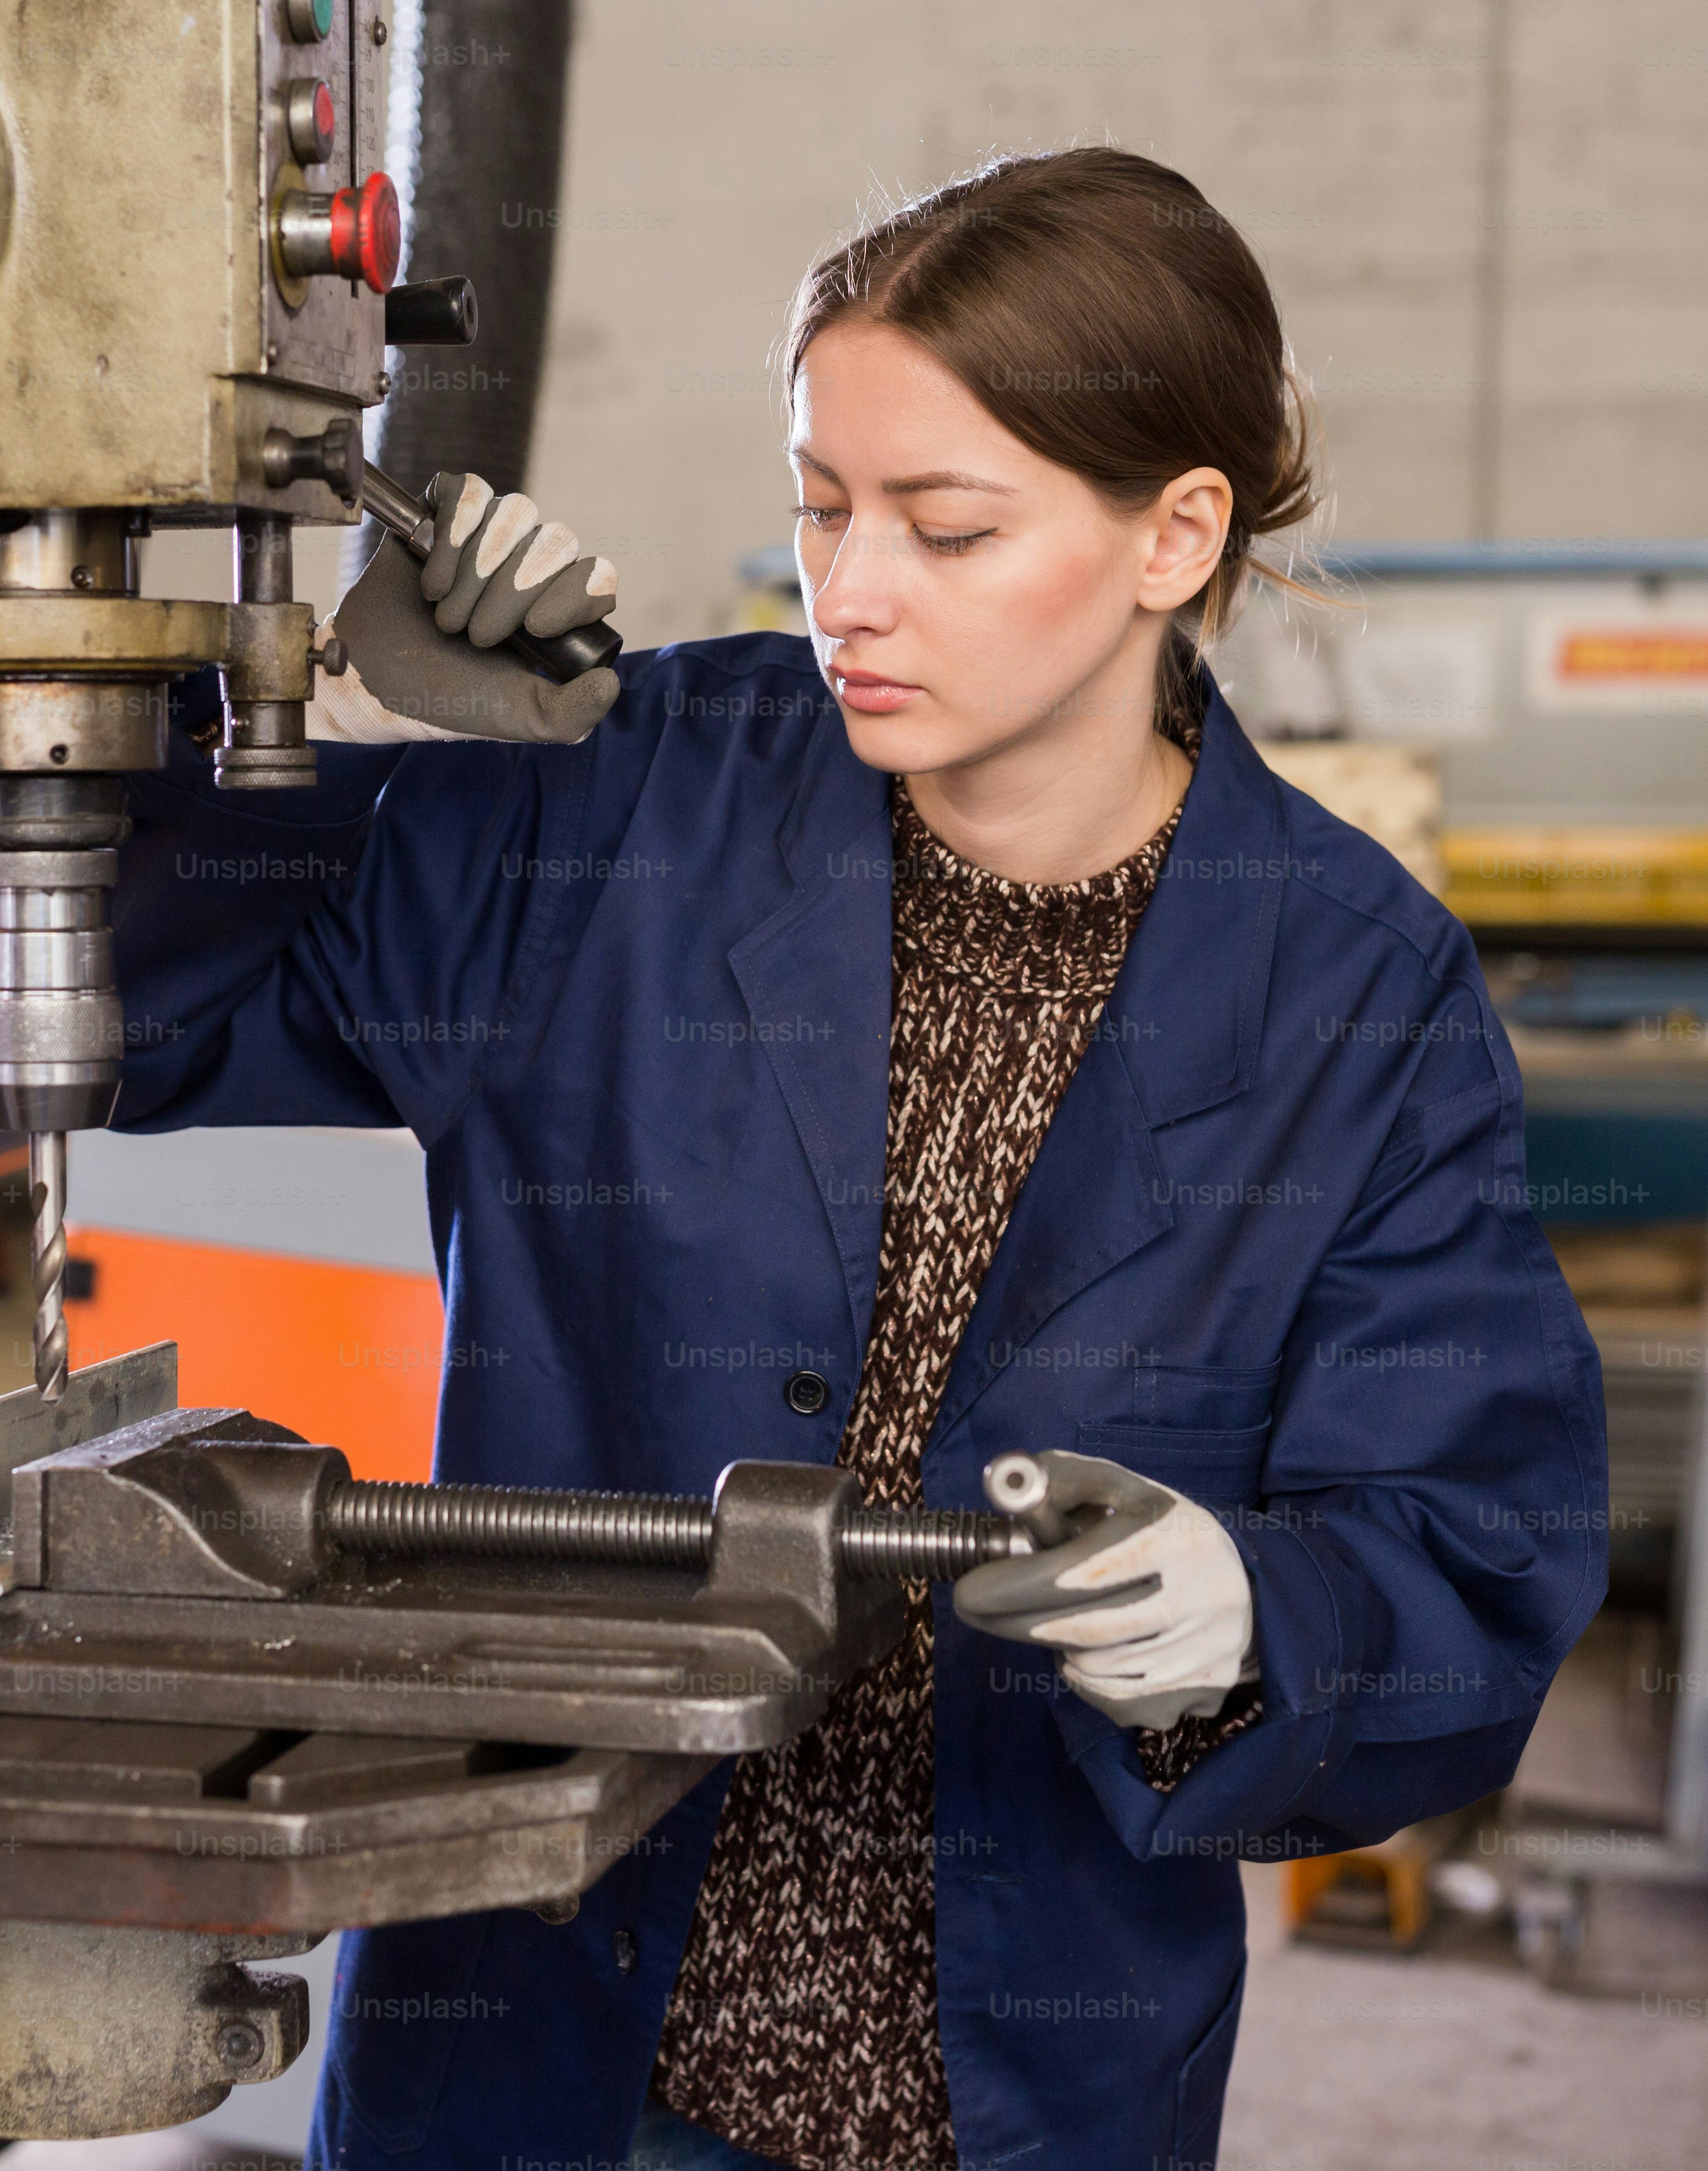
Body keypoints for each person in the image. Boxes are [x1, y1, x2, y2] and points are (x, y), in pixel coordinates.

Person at [107, 146, 1605, 2171]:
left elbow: (1472, 1556)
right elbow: (149, 1028)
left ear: (1175, 535)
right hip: (528, 2039)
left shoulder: (1354, 1000)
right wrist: (301, 726)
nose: (850, 590)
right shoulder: (622, 807)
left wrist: (1254, 1615)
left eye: (946, 527)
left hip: (1011, 2095)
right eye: (820, 505)